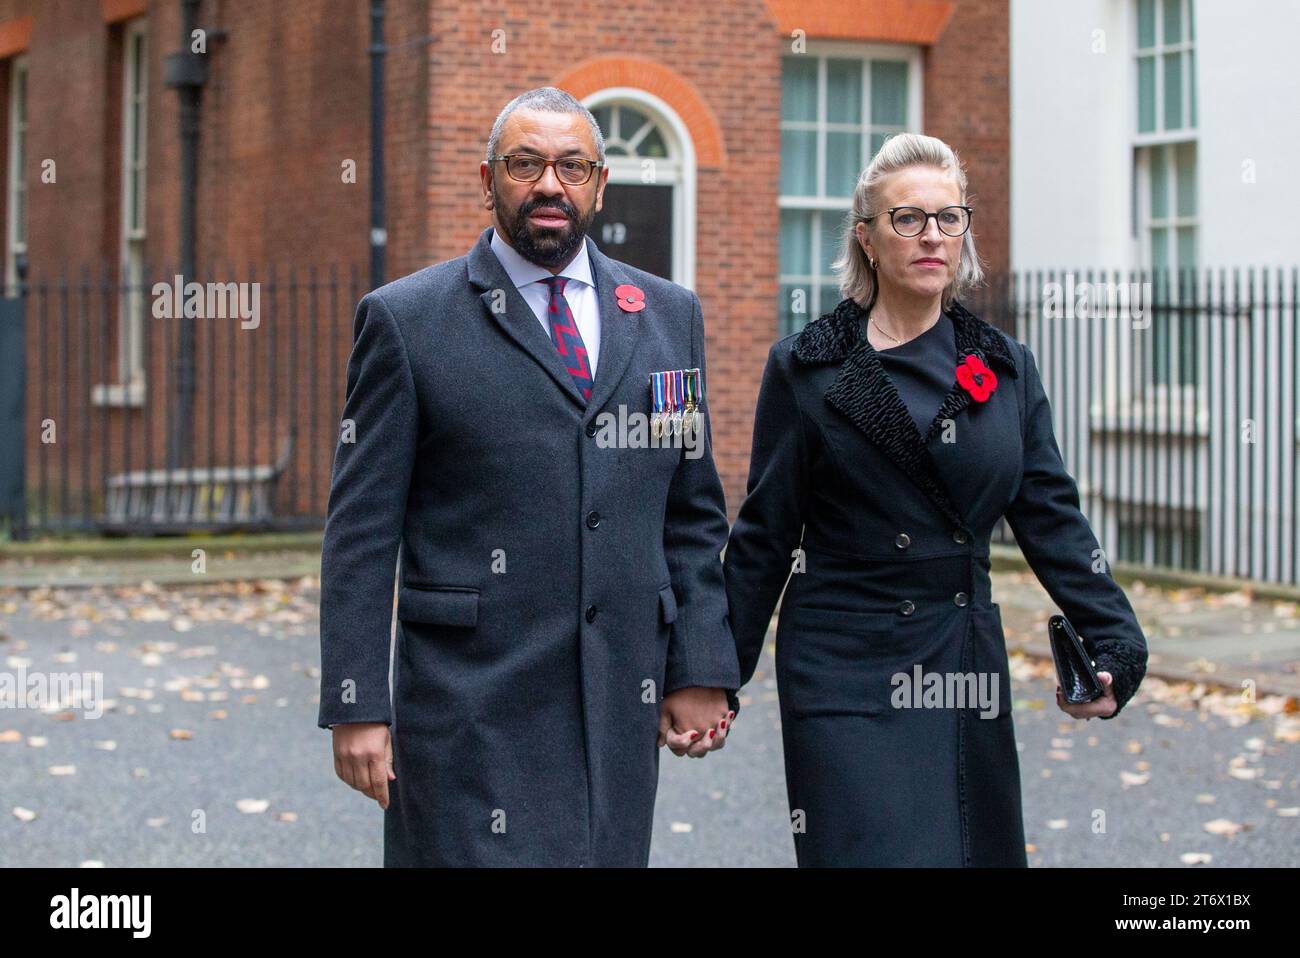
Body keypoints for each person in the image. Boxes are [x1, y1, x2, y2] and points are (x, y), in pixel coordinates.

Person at [317, 87, 739, 867]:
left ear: (600, 184)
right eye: (526, 164)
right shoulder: (408, 321)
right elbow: (362, 530)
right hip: (469, 706)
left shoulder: (668, 315)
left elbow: (690, 512)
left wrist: (700, 666)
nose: (551, 184)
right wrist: (355, 703)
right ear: (487, 178)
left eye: (573, 165)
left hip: (616, 700)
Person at [723, 132, 1148, 867]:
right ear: (867, 237)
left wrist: (1113, 643)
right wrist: (711, 675)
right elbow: (764, 533)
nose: (931, 236)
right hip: (843, 664)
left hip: (959, 662)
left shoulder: (1006, 367)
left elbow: (1051, 517)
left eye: (949, 218)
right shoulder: (806, 367)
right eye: (907, 218)